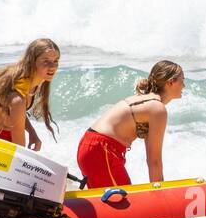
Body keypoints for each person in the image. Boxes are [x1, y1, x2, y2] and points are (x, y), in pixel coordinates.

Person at [77, 60, 184, 188]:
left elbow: (152, 159)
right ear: (170, 82)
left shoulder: (149, 102)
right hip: (102, 149)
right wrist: (160, 194)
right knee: (122, 201)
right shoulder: (157, 108)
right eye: (182, 80)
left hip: (93, 146)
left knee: (111, 201)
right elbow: (154, 161)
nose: (184, 85)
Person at [0, 38, 61, 163]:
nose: (53, 66)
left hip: (5, 138)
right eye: (46, 61)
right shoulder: (17, 96)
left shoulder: (31, 82)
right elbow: (19, 150)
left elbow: (16, 114)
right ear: (32, 61)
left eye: (55, 61)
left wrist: (32, 132)